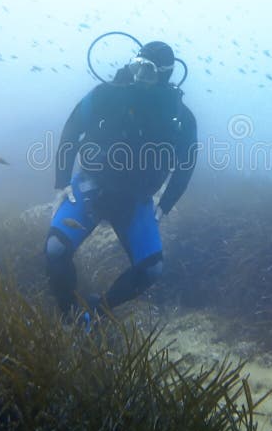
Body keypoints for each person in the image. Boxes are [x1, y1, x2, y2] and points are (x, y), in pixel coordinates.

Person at [45, 41, 198, 319]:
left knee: (151, 269)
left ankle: (97, 311)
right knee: (55, 249)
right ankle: (69, 316)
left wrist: (166, 203)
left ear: (164, 74)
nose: (139, 76)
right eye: (137, 66)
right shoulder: (106, 94)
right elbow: (72, 130)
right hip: (92, 186)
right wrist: (62, 181)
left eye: (148, 71)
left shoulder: (181, 118)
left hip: (136, 200)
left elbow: (186, 164)